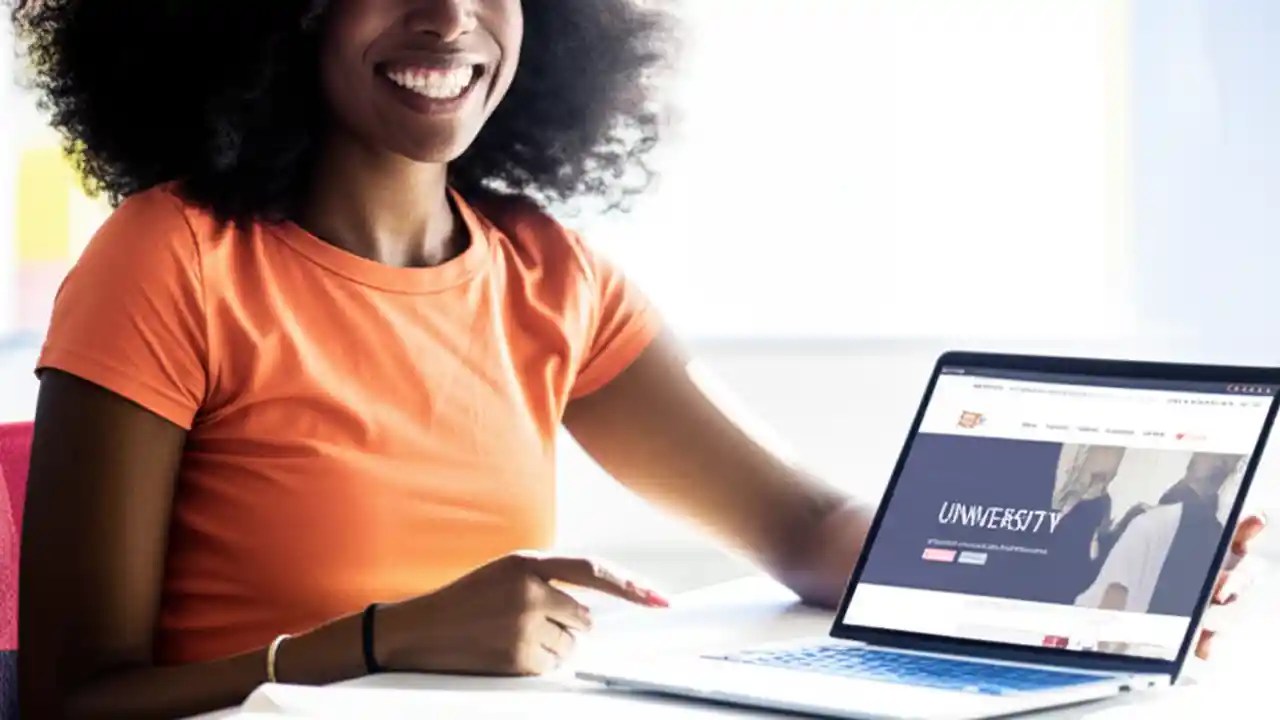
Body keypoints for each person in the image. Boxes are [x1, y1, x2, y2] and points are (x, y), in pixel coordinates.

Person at [11, 2, 1263, 718]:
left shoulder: (542, 268)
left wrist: (1085, 576)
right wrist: (379, 639)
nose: (448, 17)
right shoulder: (170, 258)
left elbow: (803, 522)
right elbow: (70, 701)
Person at [1077, 453, 1247, 616]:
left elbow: (1114, 590)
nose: (1218, 463)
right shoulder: (1147, 515)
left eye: (1224, 460)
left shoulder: (1168, 521)